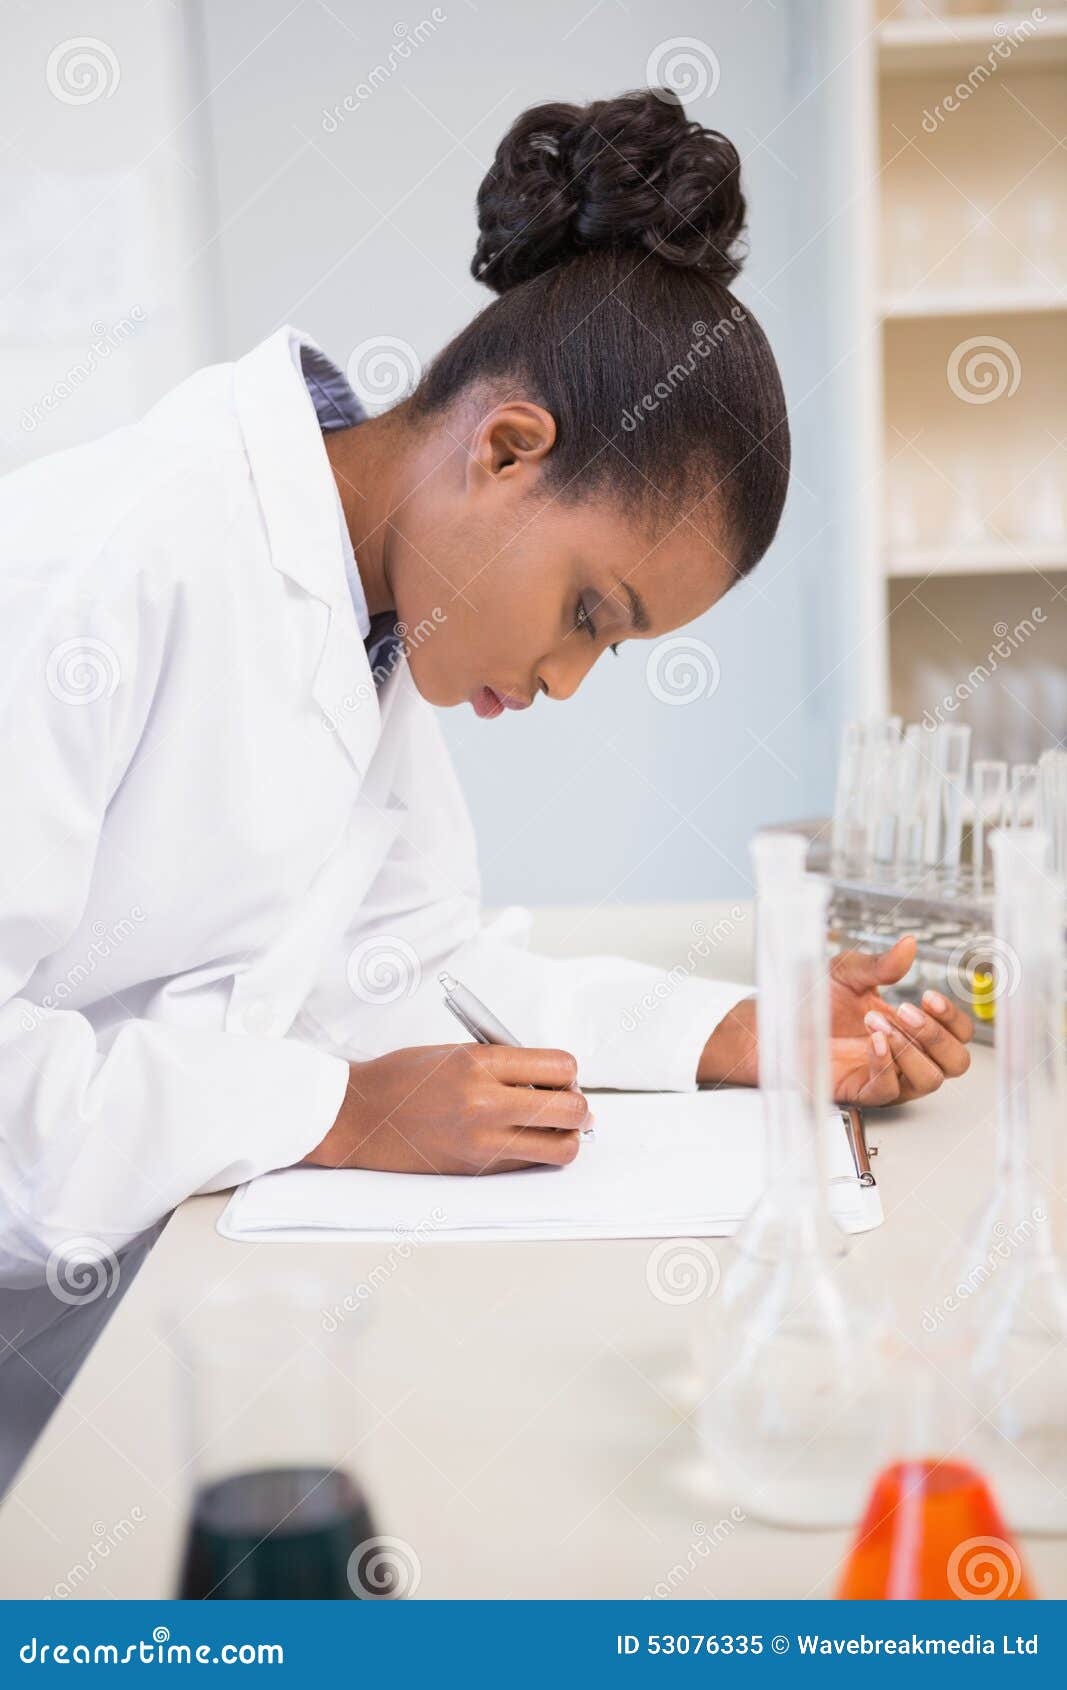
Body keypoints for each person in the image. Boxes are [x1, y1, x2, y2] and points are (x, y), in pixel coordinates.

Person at [0, 90, 971, 1480]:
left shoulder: (374, 619)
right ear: (506, 450)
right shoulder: (110, 560)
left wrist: (739, 1033)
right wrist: (331, 1111)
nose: (571, 678)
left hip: (125, 1331)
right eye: (590, 610)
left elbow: (421, 970)